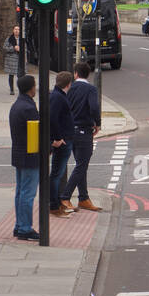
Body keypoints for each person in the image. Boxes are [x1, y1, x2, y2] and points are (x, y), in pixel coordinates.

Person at [62, 61, 102, 211]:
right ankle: (65, 197)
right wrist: (97, 123)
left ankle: (83, 198)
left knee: (81, 165)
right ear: (88, 74)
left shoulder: (70, 88)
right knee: (82, 165)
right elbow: (94, 107)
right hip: (84, 131)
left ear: (76, 74)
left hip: (70, 131)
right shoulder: (90, 89)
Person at [8, 74, 41, 241]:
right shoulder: (28, 108)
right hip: (30, 156)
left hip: (19, 155)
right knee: (28, 194)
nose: (36, 88)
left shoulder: (16, 105)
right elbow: (35, 133)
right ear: (31, 88)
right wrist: (48, 147)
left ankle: (19, 225)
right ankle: (25, 228)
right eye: (35, 86)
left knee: (20, 192)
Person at [48, 71, 76, 217]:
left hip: (65, 139)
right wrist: (58, 138)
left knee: (57, 173)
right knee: (56, 174)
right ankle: (54, 206)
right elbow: (52, 118)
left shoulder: (58, 95)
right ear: (68, 84)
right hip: (63, 140)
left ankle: (57, 202)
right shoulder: (58, 97)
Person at [3, 24, 22, 94]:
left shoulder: (22, 39)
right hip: (11, 59)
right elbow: (5, 47)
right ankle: (11, 89)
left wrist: (21, 49)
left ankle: (20, 89)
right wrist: (13, 48)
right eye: (15, 29)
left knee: (20, 75)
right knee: (11, 75)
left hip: (19, 58)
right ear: (13, 30)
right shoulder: (9, 38)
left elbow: (26, 48)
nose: (16, 31)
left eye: (18, 29)